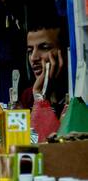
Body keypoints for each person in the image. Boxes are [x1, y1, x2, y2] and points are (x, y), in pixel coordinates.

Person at [18, 10, 70, 140]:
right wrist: (39, 97)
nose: (34, 58)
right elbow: (33, 147)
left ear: (64, 53)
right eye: (30, 51)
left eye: (44, 47)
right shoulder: (28, 97)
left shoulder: (78, 94)